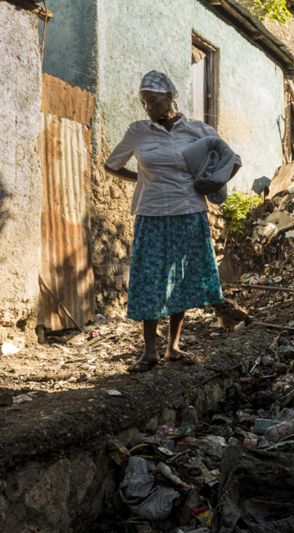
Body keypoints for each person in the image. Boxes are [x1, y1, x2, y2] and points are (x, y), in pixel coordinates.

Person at [104, 70, 225, 372]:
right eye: (144, 103)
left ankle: (173, 346)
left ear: (170, 97)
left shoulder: (197, 130)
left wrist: (213, 182)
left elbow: (224, 158)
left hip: (188, 211)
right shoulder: (138, 131)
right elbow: (112, 164)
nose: (149, 108)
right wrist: (142, 179)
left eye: (154, 101)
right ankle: (149, 352)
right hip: (152, 213)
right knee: (150, 280)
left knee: (180, 279)